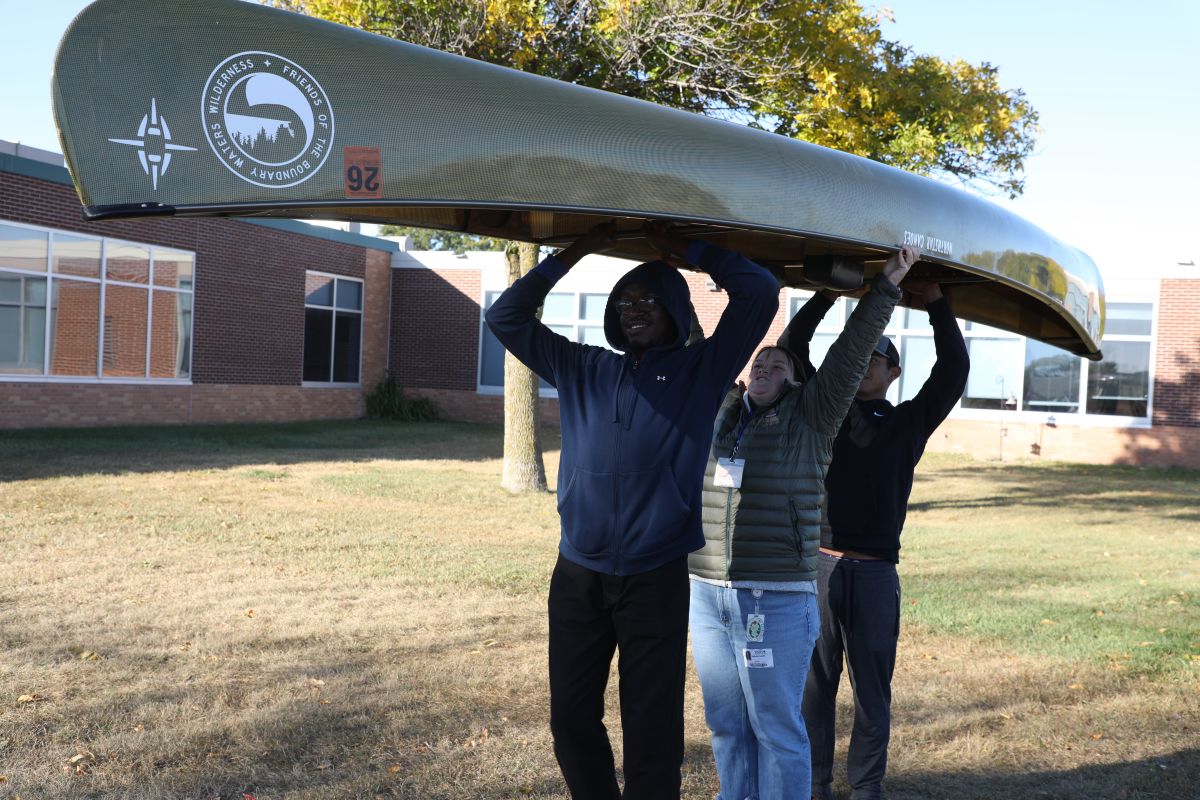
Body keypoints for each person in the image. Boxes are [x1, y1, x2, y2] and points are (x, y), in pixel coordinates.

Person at [484, 220, 779, 799]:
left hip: (655, 575)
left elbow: (760, 292)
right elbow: (505, 317)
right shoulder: (583, 367)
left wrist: (690, 251)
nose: (633, 309)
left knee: (651, 729)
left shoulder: (702, 370)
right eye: (623, 300)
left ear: (674, 308)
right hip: (579, 572)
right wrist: (575, 250)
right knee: (570, 717)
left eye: (648, 299)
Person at [689, 245, 918, 800]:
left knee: (776, 726)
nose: (764, 366)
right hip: (707, 592)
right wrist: (684, 262)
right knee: (726, 724)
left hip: (774, 596)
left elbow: (848, 352)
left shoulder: (813, 418)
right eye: (758, 362)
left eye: (778, 363)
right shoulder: (722, 411)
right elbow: (698, 347)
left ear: (795, 381)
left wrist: (884, 285)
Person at [790, 281, 970, 800]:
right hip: (818, 567)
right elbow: (795, 348)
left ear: (894, 372)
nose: (866, 361)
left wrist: (937, 304)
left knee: (873, 691)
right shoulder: (821, 409)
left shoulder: (909, 422)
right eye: (858, 353)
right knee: (814, 687)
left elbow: (953, 371)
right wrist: (824, 294)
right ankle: (815, 782)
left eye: (878, 356)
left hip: (873, 573)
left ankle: (867, 786)